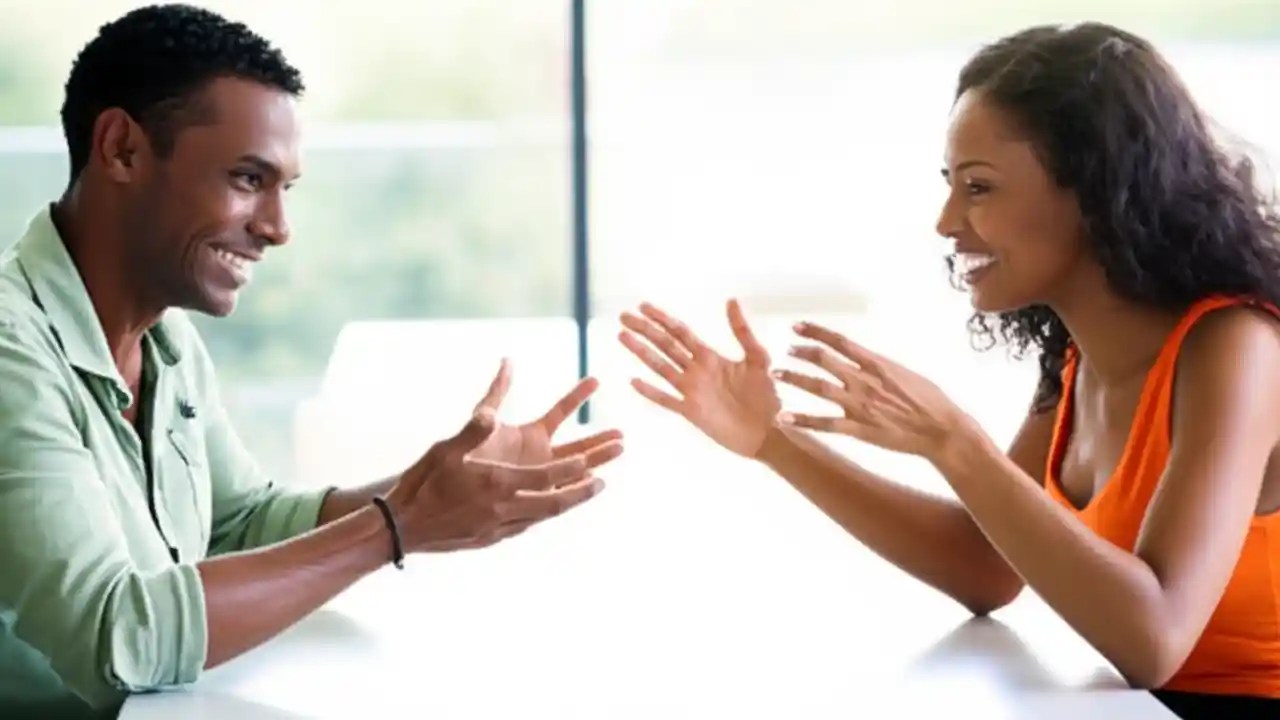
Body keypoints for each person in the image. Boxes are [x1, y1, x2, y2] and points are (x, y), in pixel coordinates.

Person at [619, 22, 1280, 720]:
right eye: (951, 184)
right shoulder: (1079, 359)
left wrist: (952, 440)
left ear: (1094, 191)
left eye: (980, 188)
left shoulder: (1235, 345)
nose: (945, 221)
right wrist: (773, 440)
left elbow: (1156, 638)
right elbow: (987, 567)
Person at [0, 5, 623, 718]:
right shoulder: (10, 352)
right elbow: (113, 635)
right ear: (122, 150)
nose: (277, 228)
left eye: (284, 188)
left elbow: (240, 524)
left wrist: (429, 491)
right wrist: (397, 524)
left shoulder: (166, 345)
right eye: (246, 178)